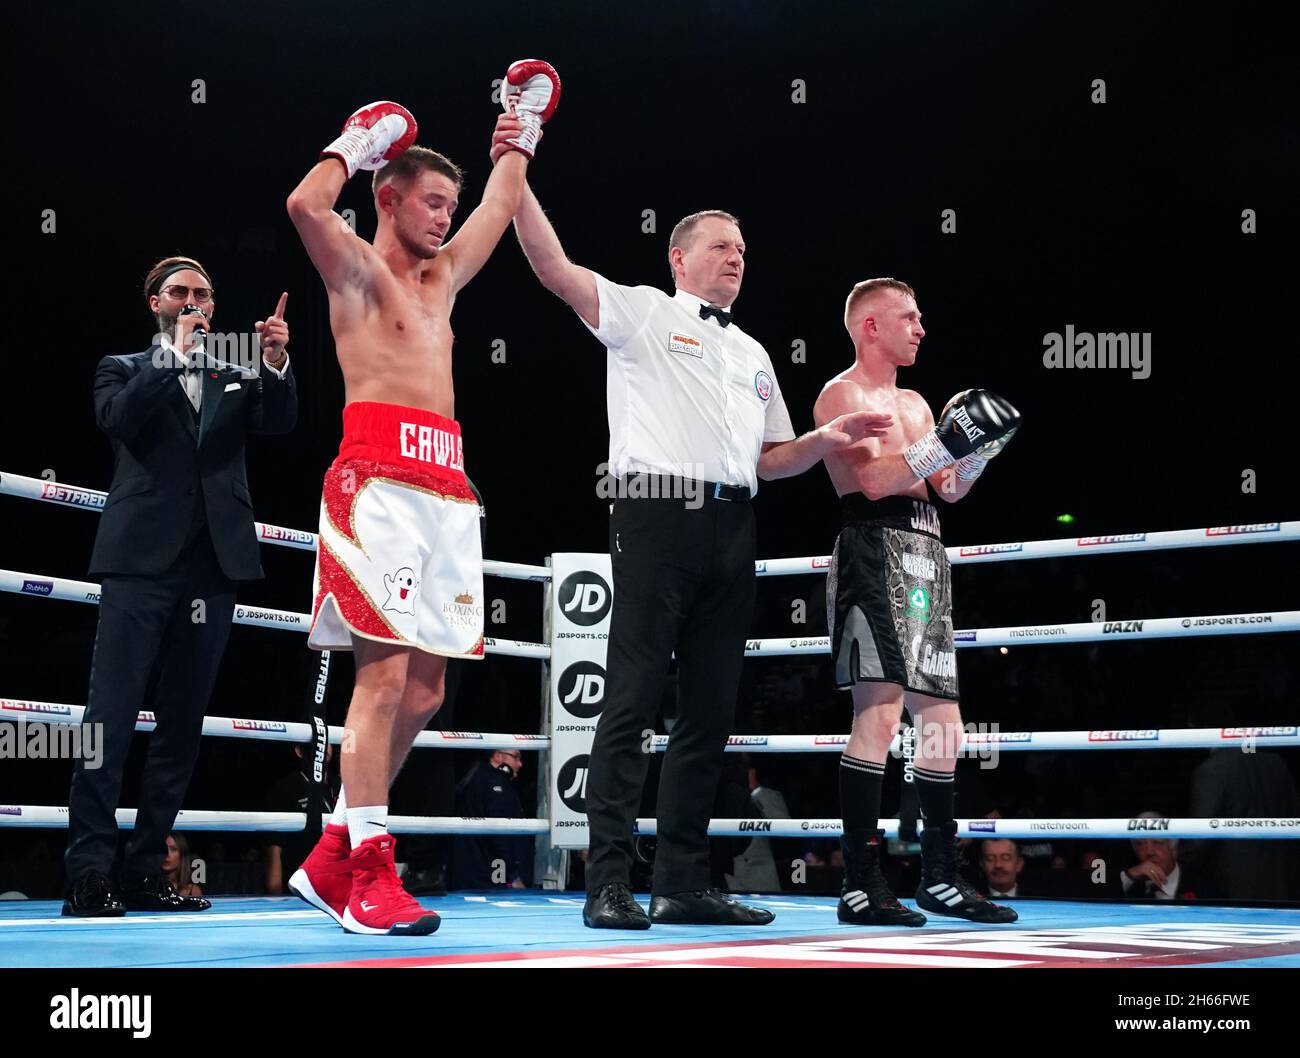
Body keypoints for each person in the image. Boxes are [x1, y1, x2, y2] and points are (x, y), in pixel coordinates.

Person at [513, 192, 891, 929]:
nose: (736, 259)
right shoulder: (645, 311)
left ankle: (683, 880)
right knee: (632, 695)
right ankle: (609, 882)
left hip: (735, 520)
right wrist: (516, 175)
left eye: (742, 251)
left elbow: (771, 457)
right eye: (721, 246)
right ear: (679, 258)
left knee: (710, 710)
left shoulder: (752, 352)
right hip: (656, 510)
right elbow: (555, 268)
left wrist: (825, 441)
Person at [283, 61, 560, 936]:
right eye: (432, 201)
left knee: (428, 694)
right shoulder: (358, 274)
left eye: (450, 202)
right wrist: (354, 144)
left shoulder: (444, 284)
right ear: (389, 198)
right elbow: (303, 207)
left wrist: (518, 129)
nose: (446, 216)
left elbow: (501, 206)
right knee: (382, 678)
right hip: (376, 485)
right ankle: (369, 871)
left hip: (446, 488)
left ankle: (332, 849)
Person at [63, 255, 297, 916]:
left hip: (212, 566)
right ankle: (87, 871)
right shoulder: (124, 366)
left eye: (202, 292)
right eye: (179, 291)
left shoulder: (236, 368)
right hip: (140, 564)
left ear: (216, 305)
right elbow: (121, 421)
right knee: (106, 719)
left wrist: (276, 361)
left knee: (181, 724)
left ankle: (142, 872)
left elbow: (279, 422)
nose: (191, 300)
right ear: (155, 302)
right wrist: (175, 357)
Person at [815, 277, 1021, 926]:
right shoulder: (840, 395)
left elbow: (948, 488)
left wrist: (981, 450)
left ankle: (939, 877)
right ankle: (859, 880)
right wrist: (945, 442)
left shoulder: (918, 402)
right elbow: (874, 481)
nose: (921, 327)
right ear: (870, 326)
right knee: (879, 715)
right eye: (909, 316)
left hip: (926, 554)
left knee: (944, 725)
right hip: (873, 551)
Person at [260, 742, 338, 895]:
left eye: (325, 740)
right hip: (300, 890)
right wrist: (275, 901)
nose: (322, 745)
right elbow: (273, 848)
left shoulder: (340, 787)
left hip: (338, 888)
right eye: (316, 740)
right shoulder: (286, 788)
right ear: (299, 751)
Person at [448, 751, 531, 889]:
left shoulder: (476, 776)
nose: (520, 764)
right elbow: (499, 835)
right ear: (498, 756)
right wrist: (511, 877)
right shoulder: (494, 783)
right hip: (485, 875)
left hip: (470, 870)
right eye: (516, 757)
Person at [162, 833, 203, 899]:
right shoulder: (150, 888)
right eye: (164, 849)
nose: (167, 854)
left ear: (182, 855)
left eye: (173, 849)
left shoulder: (193, 891)